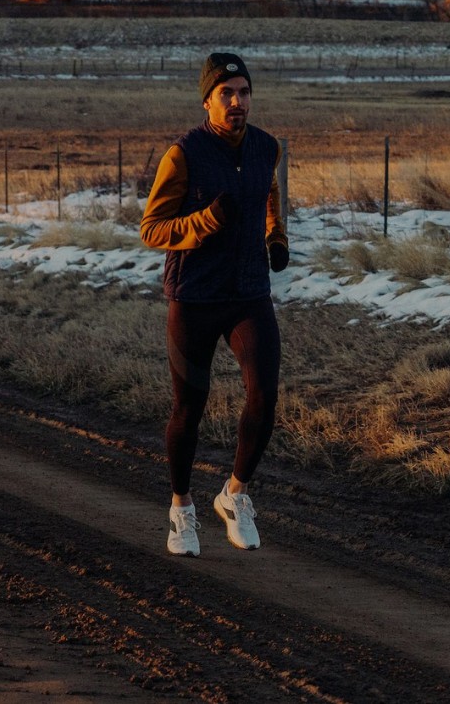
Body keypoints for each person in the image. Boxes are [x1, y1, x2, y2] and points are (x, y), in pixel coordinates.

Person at [140, 52, 288, 557]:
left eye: (244, 92)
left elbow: (269, 192)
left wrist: (276, 237)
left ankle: (234, 494)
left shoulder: (266, 147)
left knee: (264, 396)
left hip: (248, 292)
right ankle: (181, 509)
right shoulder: (183, 155)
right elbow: (151, 229)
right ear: (207, 100)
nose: (237, 102)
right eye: (226, 93)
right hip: (195, 296)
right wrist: (204, 221)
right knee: (189, 408)